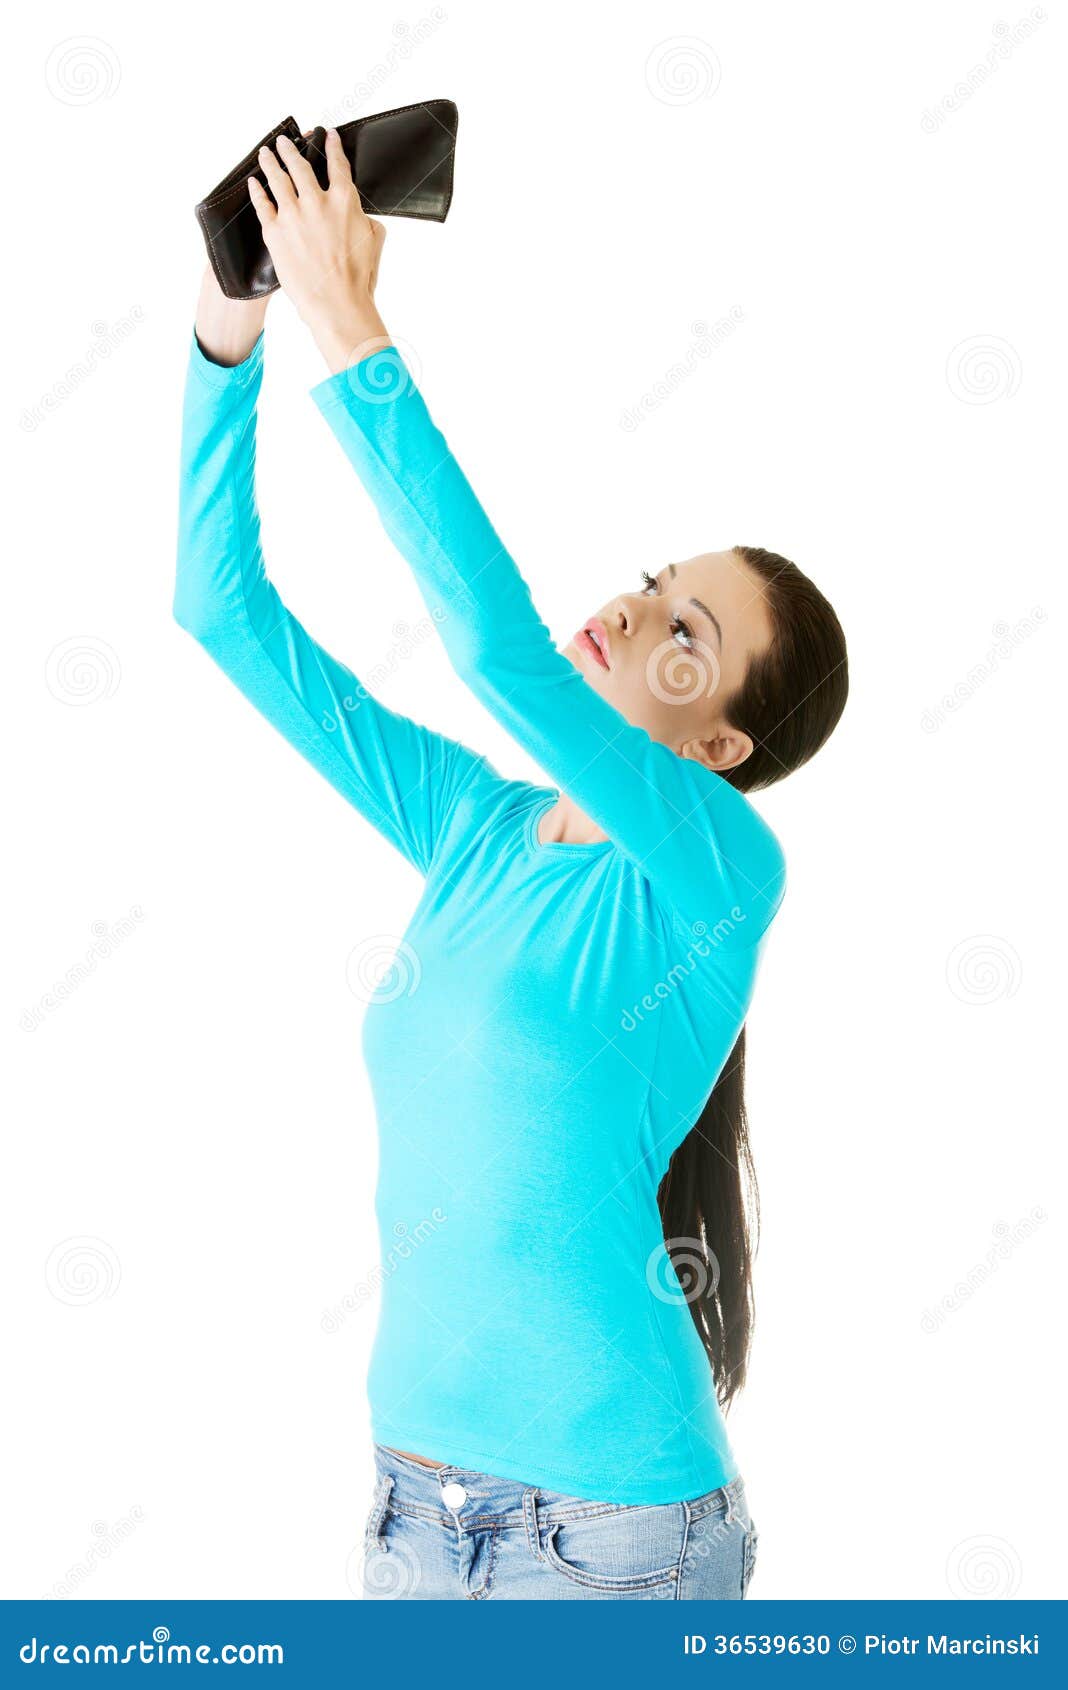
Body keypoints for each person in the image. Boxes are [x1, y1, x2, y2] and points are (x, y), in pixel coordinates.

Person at [175, 128, 848, 1599]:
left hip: (617, 1540)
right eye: (656, 582)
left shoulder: (723, 871)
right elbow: (221, 612)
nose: (635, 606)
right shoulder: (477, 828)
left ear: (722, 741)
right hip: (414, 1505)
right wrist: (233, 330)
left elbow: (495, 649)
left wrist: (352, 324)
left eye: (687, 632)